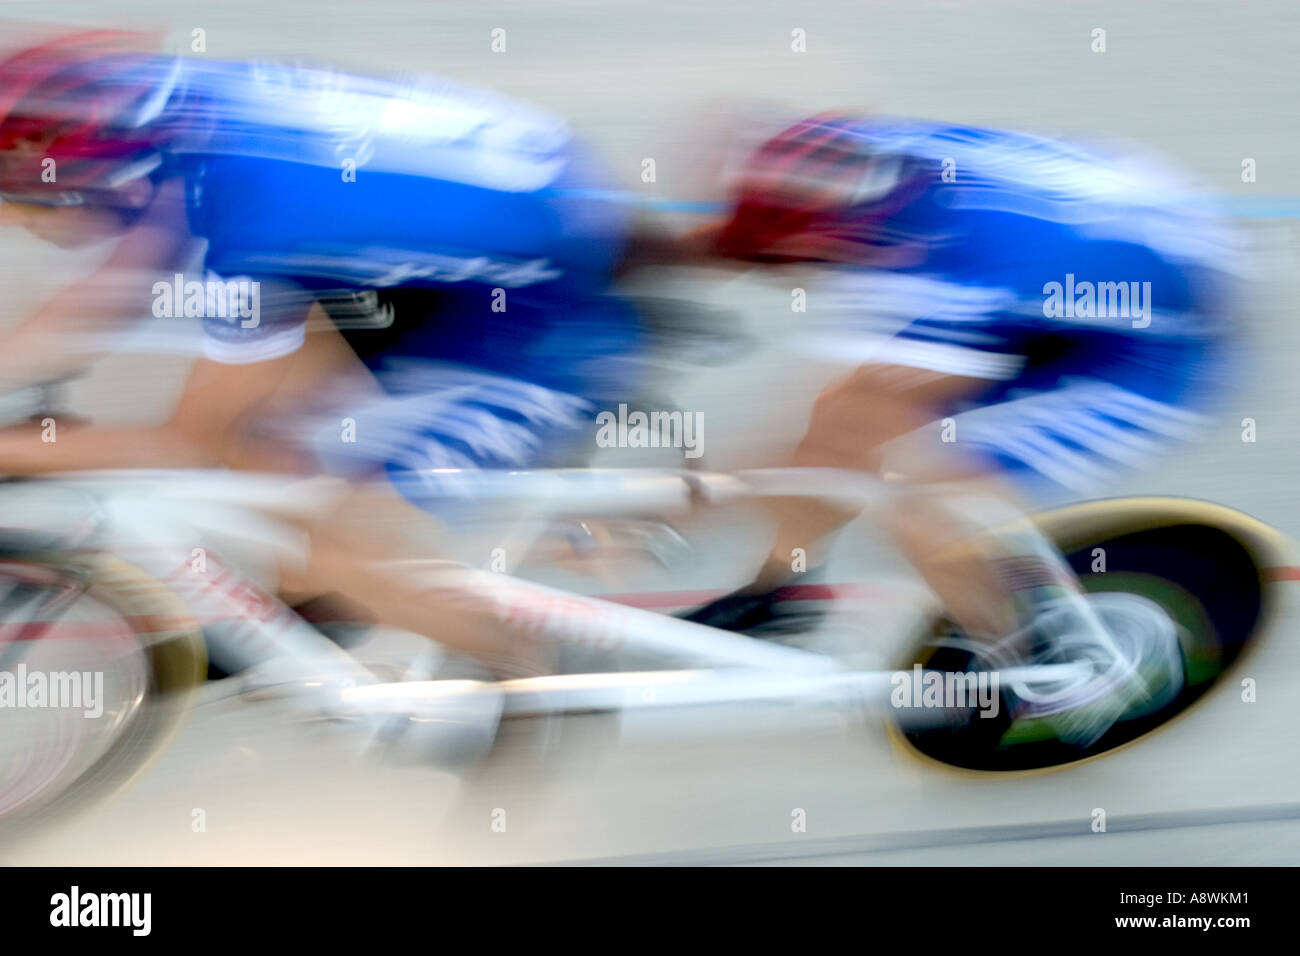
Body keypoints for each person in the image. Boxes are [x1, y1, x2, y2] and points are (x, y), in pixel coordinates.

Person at [0, 27, 647, 678]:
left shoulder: (254, 231)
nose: (15, 220)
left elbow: (190, 439)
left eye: (25, 203)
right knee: (272, 440)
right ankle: (314, 606)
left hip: (543, 321)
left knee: (318, 519)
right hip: (490, 233)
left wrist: (19, 451)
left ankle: (521, 660)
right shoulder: (182, 113)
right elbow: (107, 291)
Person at [678, 112, 1241, 744]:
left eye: (794, 257)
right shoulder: (883, 155)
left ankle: (1044, 669)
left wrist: (684, 503)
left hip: (1140, 352)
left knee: (916, 494)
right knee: (842, 426)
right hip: (1108, 257)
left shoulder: (959, 271)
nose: (785, 273)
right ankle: (778, 594)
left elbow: (863, 420)